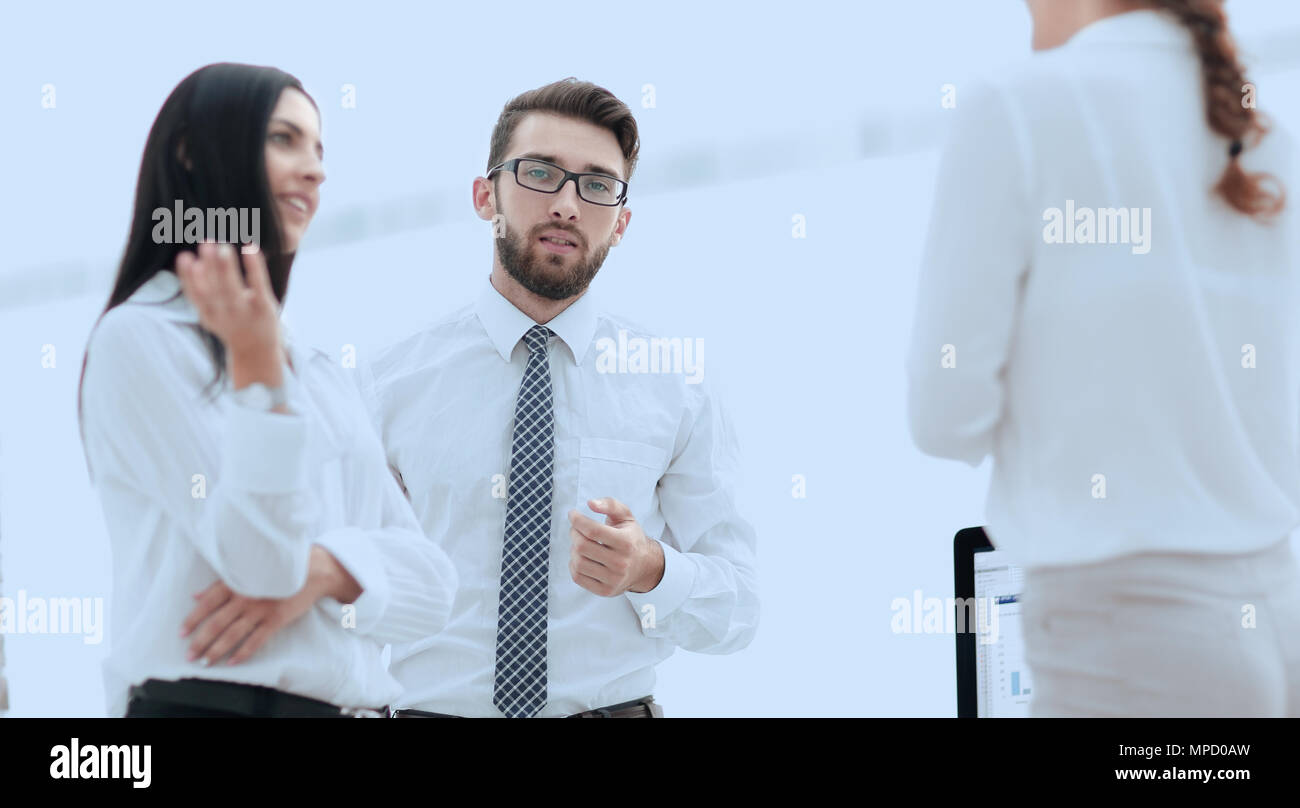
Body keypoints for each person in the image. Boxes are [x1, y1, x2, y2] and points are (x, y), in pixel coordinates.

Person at [907, 0, 1299, 717]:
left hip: (1130, 649)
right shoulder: (1265, 136)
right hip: (1279, 615)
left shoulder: (1015, 108)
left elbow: (945, 417)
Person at [358, 78, 759, 718]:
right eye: (541, 173)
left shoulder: (675, 385)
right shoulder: (385, 386)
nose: (568, 204)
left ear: (620, 223)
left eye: (597, 185)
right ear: (485, 195)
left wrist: (651, 569)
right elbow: (332, 597)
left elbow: (737, 610)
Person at [78, 63, 458, 717]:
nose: (315, 170)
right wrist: (256, 374)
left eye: (319, 148)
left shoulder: (318, 369)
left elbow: (436, 590)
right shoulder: (139, 340)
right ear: (191, 153)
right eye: (285, 139)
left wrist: (326, 571)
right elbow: (260, 565)